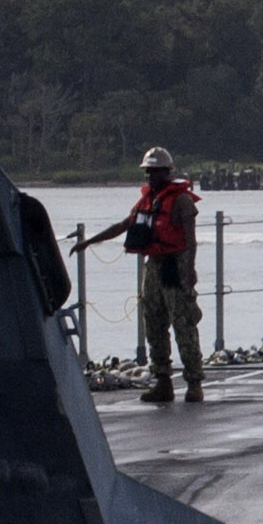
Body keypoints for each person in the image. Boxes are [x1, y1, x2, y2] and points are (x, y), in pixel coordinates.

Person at [73, 146, 203, 403]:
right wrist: (89, 242)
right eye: (147, 172)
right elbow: (124, 225)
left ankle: (194, 382)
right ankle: (163, 381)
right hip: (153, 265)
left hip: (175, 265)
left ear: (167, 172)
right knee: (153, 323)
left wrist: (190, 270)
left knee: (184, 324)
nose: (150, 177)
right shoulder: (146, 201)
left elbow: (191, 239)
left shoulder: (181, 200)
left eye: (155, 172)